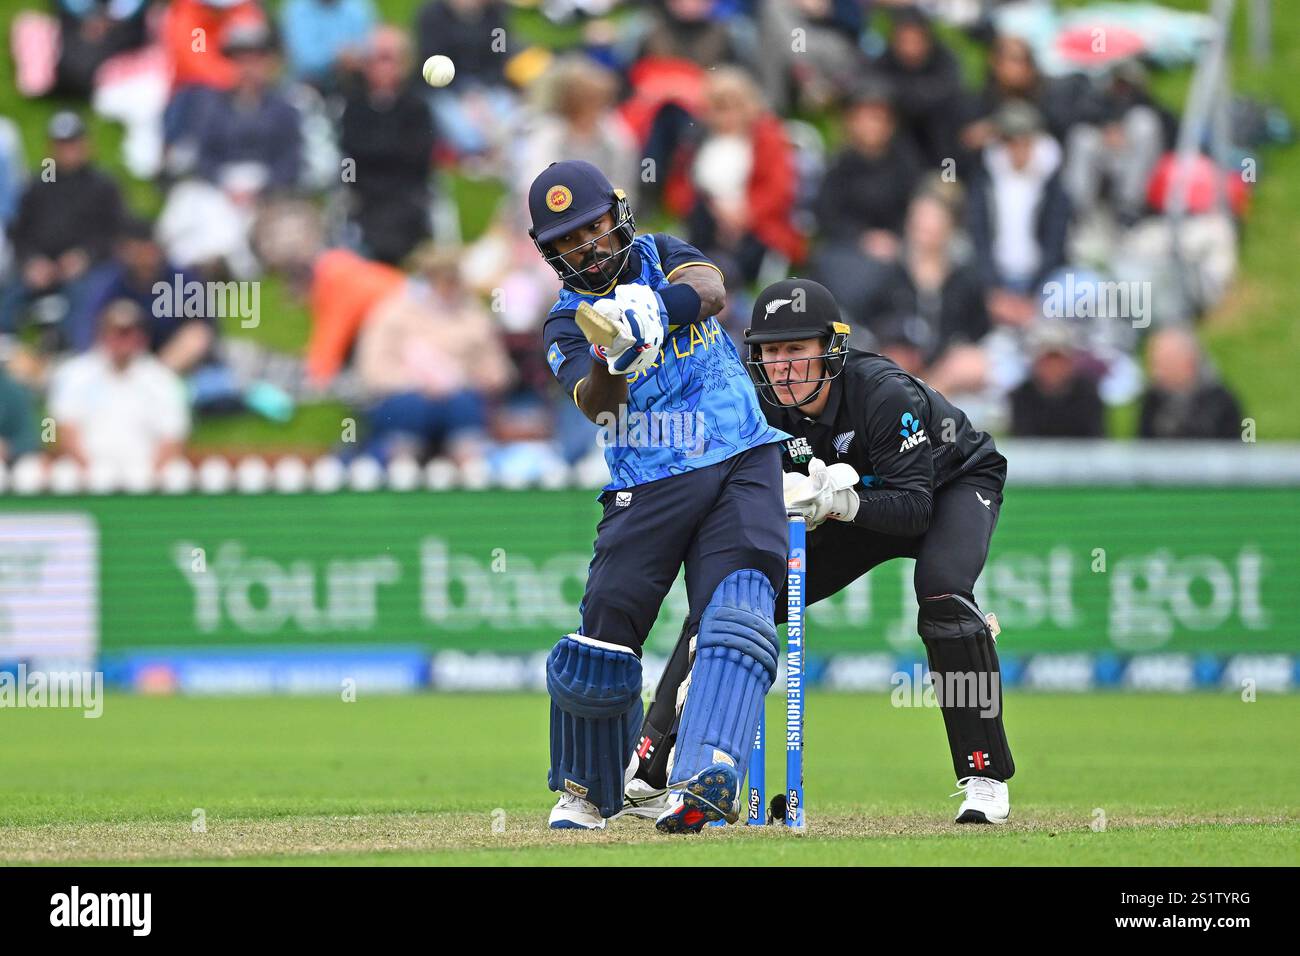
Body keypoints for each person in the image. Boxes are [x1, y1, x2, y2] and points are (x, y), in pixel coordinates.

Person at [529, 159, 789, 832]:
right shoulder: (565, 323)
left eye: (592, 229)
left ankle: (707, 768)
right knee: (607, 630)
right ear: (551, 254)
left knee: (738, 605)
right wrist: (612, 357)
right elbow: (595, 406)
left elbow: (710, 291)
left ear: (617, 217)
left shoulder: (662, 254)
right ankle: (589, 788)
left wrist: (653, 315)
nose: (586, 247)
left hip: (738, 452)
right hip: (647, 481)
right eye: (567, 241)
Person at [747, 277, 1015, 823]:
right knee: (744, 597)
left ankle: (984, 777)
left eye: (797, 350)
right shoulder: (759, 407)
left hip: (951, 487)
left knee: (942, 596)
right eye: (772, 352)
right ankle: (667, 768)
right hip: (858, 503)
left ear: (831, 349)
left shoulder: (882, 392)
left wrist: (840, 506)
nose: (784, 366)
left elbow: (915, 509)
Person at [48, 299, 190, 476]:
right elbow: (55, 426)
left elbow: (173, 436)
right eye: (116, 332)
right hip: (83, 472)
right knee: (56, 473)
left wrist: (150, 475)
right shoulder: (72, 373)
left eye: (129, 332)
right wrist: (89, 469)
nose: (122, 339)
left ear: (142, 336)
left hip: (145, 472)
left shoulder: (163, 379)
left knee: (177, 473)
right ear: (101, 334)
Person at [1138, 327, 1243, 440]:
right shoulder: (1152, 400)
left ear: (1188, 362)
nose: (1156, 372)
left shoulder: (1220, 402)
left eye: (1165, 364)